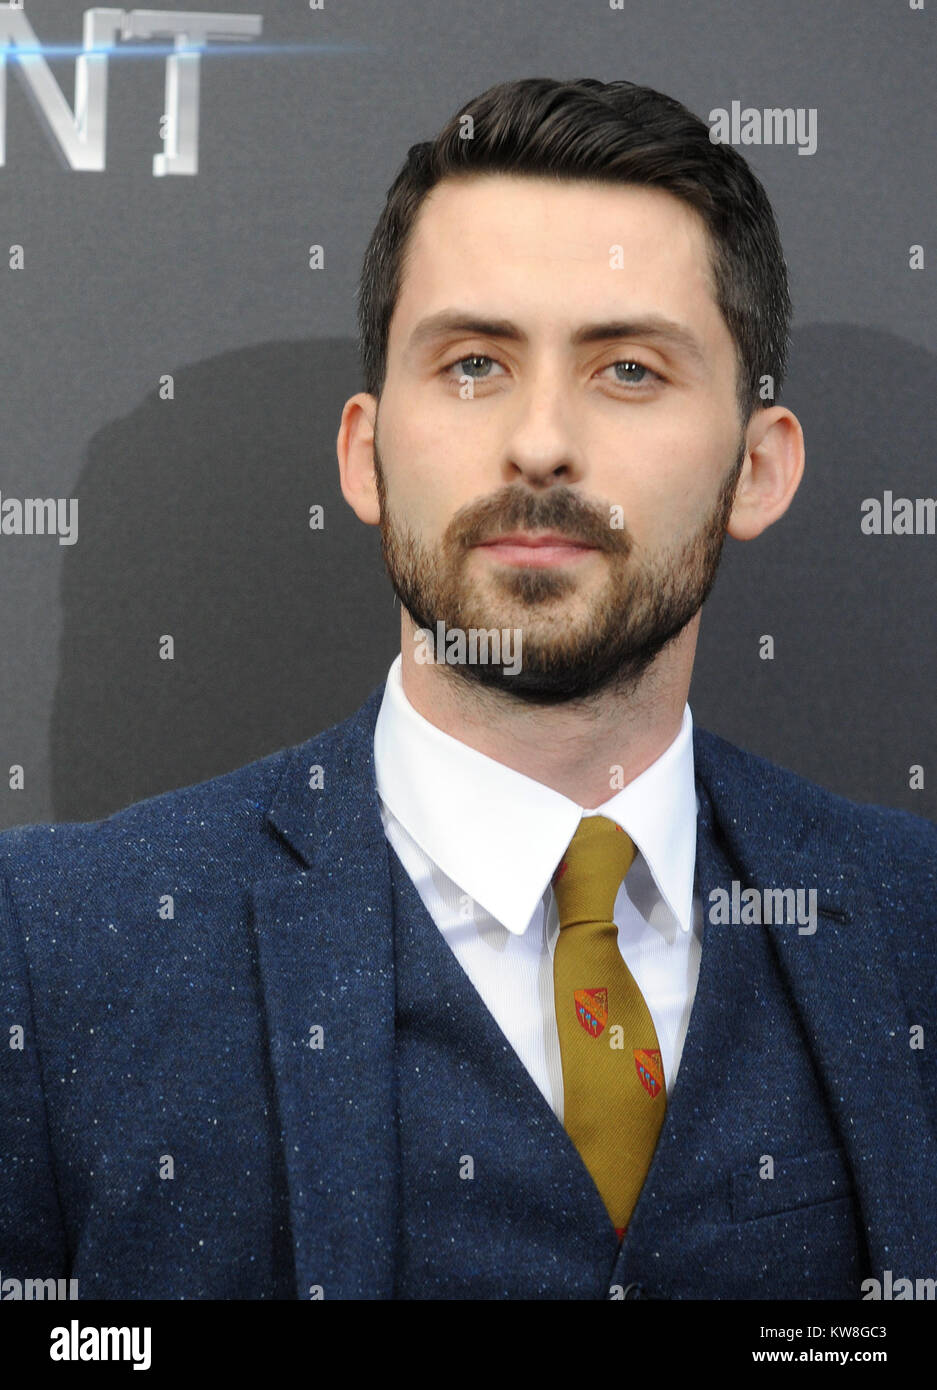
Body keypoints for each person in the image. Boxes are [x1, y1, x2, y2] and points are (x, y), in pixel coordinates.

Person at [2, 77, 935, 1303]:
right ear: (365, 453)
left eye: (630, 370)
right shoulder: (55, 949)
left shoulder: (911, 925)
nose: (541, 440)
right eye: (475, 362)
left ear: (756, 469)